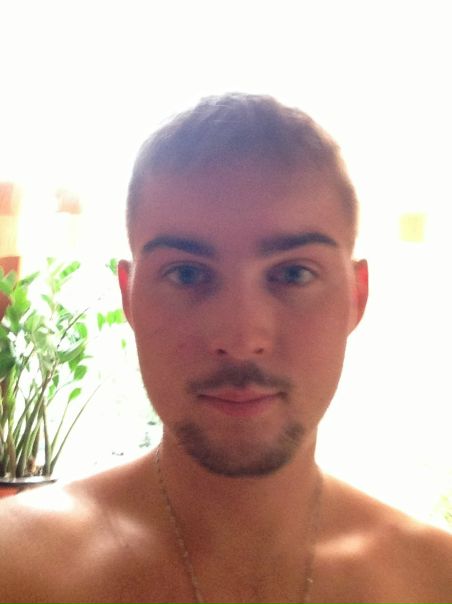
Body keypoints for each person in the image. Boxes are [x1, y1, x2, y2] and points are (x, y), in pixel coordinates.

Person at [1, 93, 451, 604]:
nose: (240, 339)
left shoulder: (435, 580)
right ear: (129, 297)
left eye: (294, 274)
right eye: (186, 274)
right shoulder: (14, 566)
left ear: (356, 296)